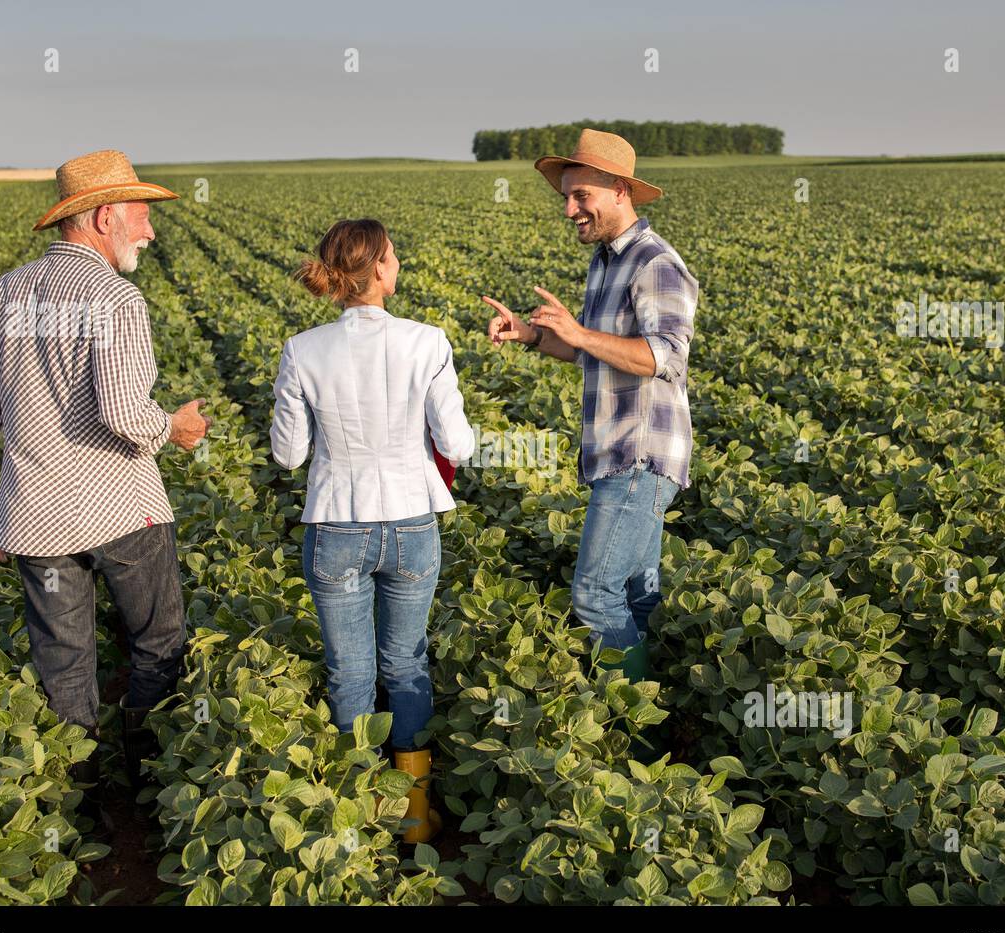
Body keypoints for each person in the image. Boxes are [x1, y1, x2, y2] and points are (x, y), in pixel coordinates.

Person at [0, 149, 211, 820]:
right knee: (156, 642)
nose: (149, 233)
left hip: (35, 522)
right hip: (123, 514)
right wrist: (173, 430)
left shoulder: (2, 296)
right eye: (143, 218)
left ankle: (81, 801)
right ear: (103, 218)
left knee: (64, 660)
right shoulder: (114, 298)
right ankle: (152, 783)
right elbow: (125, 414)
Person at [272, 218, 475, 843]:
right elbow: (459, 444)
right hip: (412, 519)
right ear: (382, 269)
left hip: (335, 522)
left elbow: (288, 455)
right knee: (406, 662)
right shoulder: (427, 342)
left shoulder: (302, 349)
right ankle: (414, 815)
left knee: (349, 671)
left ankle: (356, 816)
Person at [482, 129, 698, 680]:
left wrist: (579, 334)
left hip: (639, 455)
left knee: (595, 596)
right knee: (634, 596)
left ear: (621, 190)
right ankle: (656, 723)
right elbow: (598, 355)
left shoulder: (655, 264)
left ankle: (631, 730)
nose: (570, 209)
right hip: (617, 454)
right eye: (567, 197)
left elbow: (664, 357)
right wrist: (533, 335)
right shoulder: (605, 262)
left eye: (582, 197)